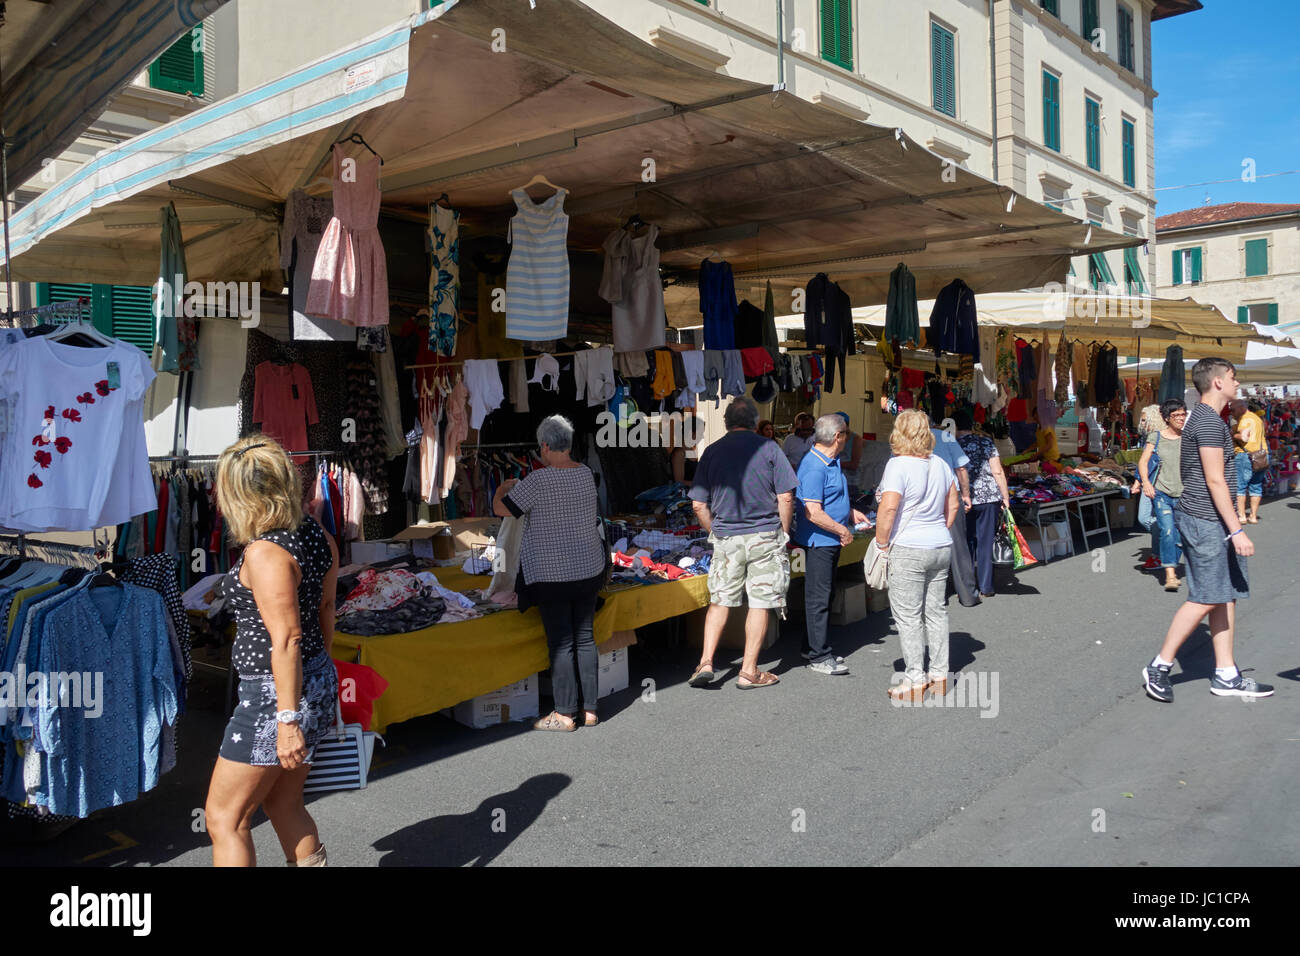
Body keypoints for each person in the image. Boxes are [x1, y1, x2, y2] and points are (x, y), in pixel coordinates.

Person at [205, 435, 340, 867]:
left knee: (224, 819)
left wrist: (287, 720)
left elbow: (287, 639)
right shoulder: (314, 532)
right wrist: (319, 681)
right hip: (307, 681)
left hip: (274, 698)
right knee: (283, 803)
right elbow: (326, 608)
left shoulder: (266, 553)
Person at [1141, 358, 1273, 702]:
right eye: (1233, 377)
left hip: (1207, 518)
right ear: (1217, 382)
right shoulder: (1210, 423)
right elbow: (1215, 480)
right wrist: (1237, 530)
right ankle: (1159, 665)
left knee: (1223, 595)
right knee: (1207, 596)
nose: (1237, 382)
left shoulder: (1204, 419)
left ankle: (1226, 673)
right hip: (1205, 519)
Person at [494, 415, 607, 731]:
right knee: (584, 638)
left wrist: (501, 489)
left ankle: (565, 713)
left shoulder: (537, 481)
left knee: (561, 642)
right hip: (588, 568)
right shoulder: (586, 474)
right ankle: (591, 710)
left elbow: (503, 510)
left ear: (544, 446)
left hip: (551, 574)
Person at [689, 397, 797, 689]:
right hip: (765, 535)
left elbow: (699, 504)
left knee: (719, 600)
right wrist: (784, 533)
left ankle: (706, 662)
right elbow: (786, 497)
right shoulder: (770, 448)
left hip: (727, 537)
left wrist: (717, 531)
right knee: (761, 602)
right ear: (753, 421)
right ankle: (749, 671)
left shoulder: (711, 452)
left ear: (726, 422)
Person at [875, 410, 959, 702]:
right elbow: (954, 506)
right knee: (936, 612)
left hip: (909, 547)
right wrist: (937, 529)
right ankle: (939, 675)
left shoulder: (897, 465)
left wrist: (882, 543)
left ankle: (914, 677)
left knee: (908, 616)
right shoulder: (940, 464)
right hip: (940, 544)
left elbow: (888, 509)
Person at [793, 414, 870, 675]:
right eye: (846, 433)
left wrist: (849, 513)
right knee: (818, 597)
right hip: (820, 541)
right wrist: (841, 530)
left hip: (829, 538)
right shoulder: (814, 466)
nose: (849, 437)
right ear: (838, 437)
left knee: (824, 594)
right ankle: (819, 656)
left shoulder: (831, 460)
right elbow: (812, 512)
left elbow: (831, 498)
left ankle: (811, 646)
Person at [955, 410, 1010, 597]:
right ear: (971, 426)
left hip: (964, 498)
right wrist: (1005, 497)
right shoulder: (986, 442)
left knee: (967, 542)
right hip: (989, 498)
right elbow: (998, 471)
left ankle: (969, 588)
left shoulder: (953, 445)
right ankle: (986, 586)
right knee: (985, 542)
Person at [929, 416, 979, 608]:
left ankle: (935, 596)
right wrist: (966, 494)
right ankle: (968, 595)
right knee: (958, 544)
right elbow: (961, 467)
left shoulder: (905, 439)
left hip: (921, 497)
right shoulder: (945, 436)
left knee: (927, 545)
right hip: (950, 494)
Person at [1138, 399, 1187, 592]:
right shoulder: (1155, 437)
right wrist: (1146, 483)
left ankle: (1170, 561)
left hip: (1184, 494)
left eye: (1183, 414)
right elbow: (1143, 462)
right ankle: (1170, 574)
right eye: (1177, 415)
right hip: (1162, 493)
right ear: (1167, 418)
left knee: (1180, 535)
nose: (1181, 418)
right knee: (1167, 531)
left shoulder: (1189, 437)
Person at [1230, 398, 1266, 524]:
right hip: (1261, 455)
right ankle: (1253, 516)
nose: (1231, 412)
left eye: (1232, 409)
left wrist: (1233, 434)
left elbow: (1244, 436)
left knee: (1240, 486)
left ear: (1241, 408)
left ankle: (1241, 516)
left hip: (1245, 455)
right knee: (1256, 486)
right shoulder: (1256, 418)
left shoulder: (1245, 419)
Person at [833, 411, 864, 501]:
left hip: (850, 482)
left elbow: (854, 464)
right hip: (835, 481)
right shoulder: (834, 438)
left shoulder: (856, 439)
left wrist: (834, 463)